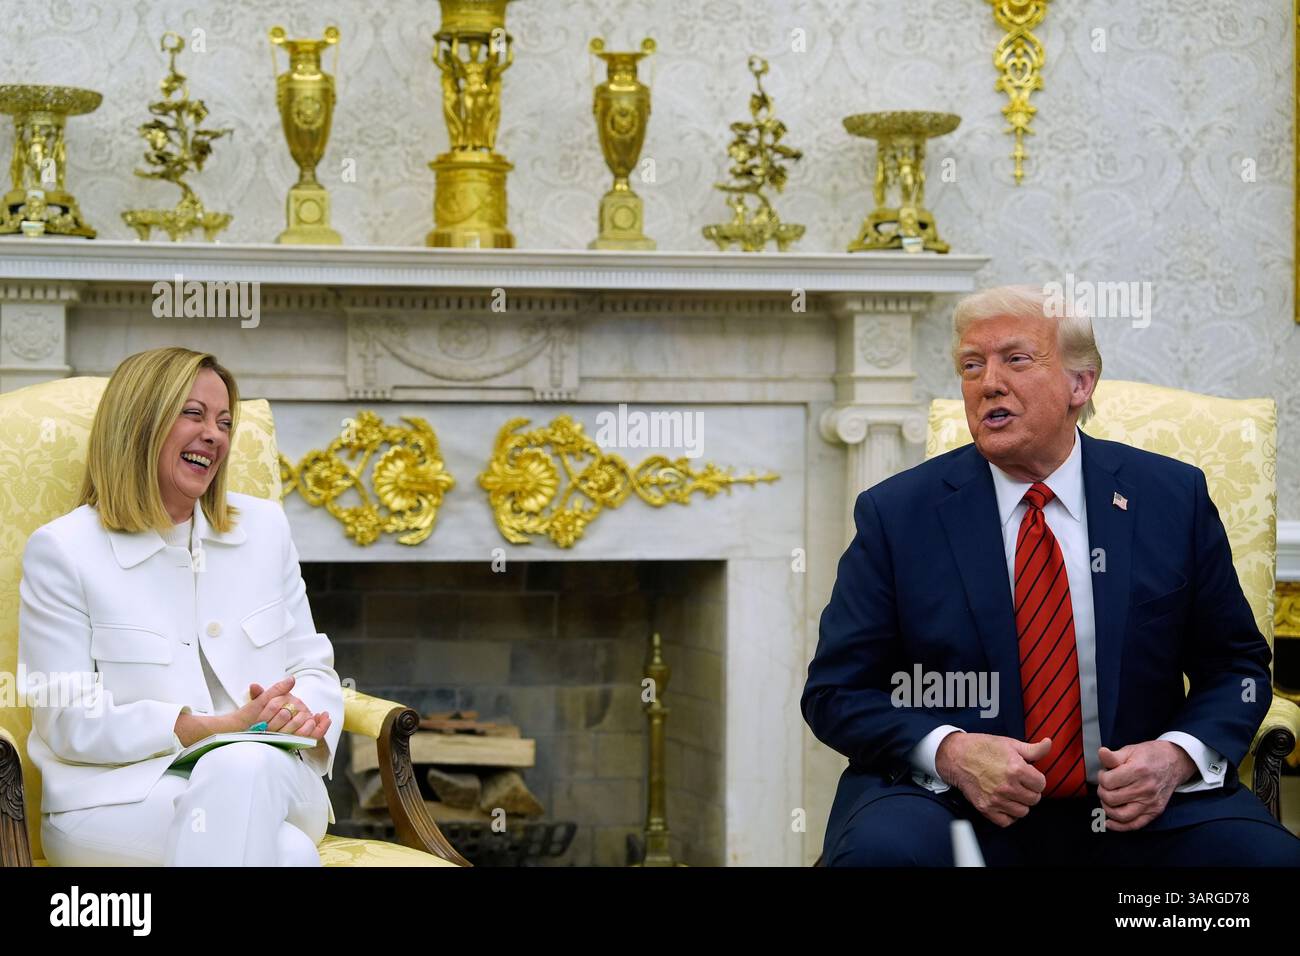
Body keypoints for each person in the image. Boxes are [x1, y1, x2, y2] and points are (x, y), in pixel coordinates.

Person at [803, 285, 1300, 866]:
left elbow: (1235, 667)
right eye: (971, 365)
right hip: (950, 803)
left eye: (1016, 359)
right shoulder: (898, 514)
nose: (988, 382)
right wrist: (952, 752)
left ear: (1079, 384)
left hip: (1138, 805)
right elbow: (836, 691)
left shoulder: (1170, 498)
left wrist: (1175, 758)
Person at [19, 347, 343, 866]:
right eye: (193, 414)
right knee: (287, 854)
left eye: (225, 422)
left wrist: (300, 713)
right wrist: (203, 729)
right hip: (117, 798)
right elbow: (65, 716)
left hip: (273, 775)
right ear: (138, 425)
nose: (214, 435)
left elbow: (312, 666)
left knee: (240, 768)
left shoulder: (264, 530)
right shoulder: (64, 549)